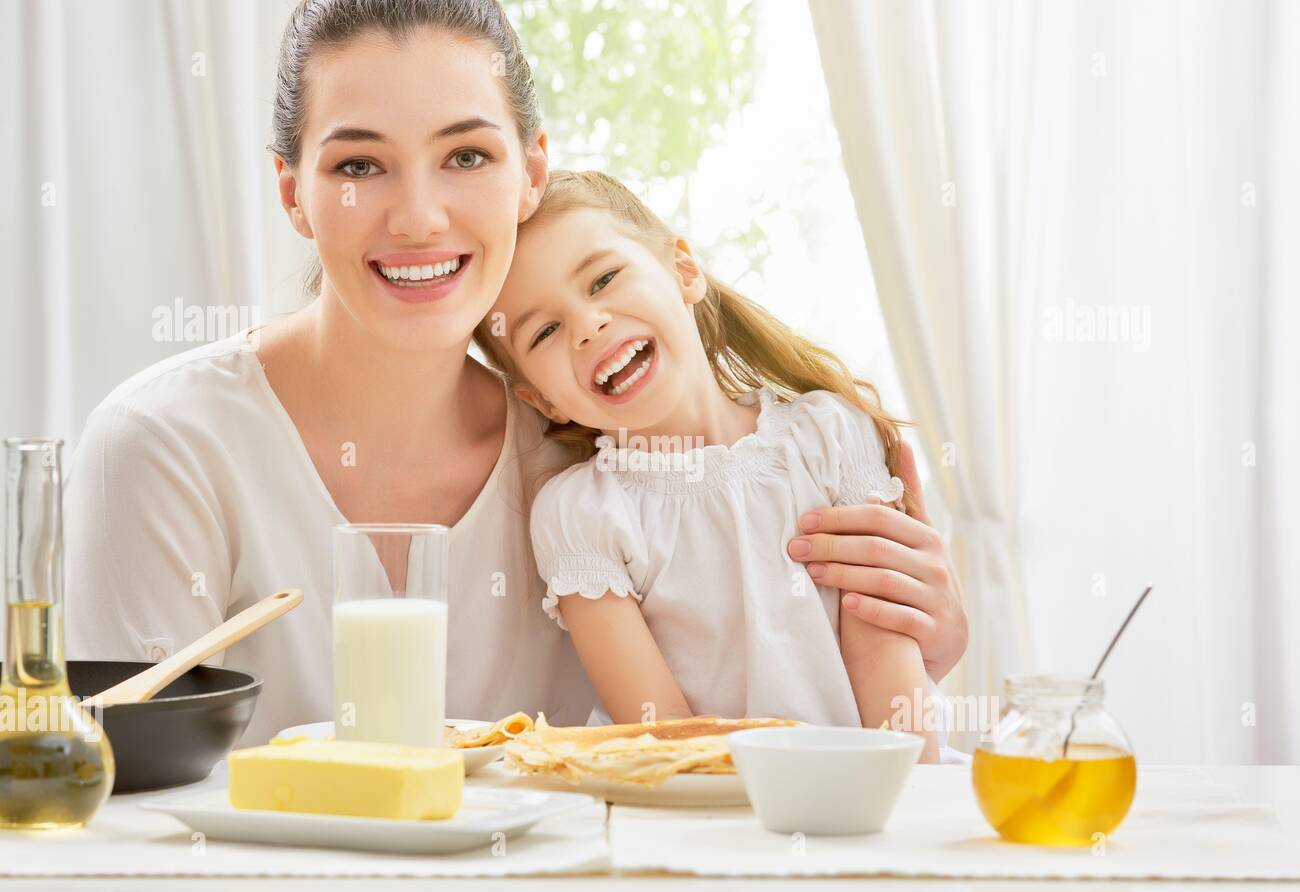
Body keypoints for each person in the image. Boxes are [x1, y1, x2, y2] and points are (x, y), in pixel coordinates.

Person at [63, 0, 968, 748]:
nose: (419, 216)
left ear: (532, 170)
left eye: (466, 155)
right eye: (359, 164)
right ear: (294, 192)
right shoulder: (162, 447)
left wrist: (931, 635)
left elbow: (774, 676)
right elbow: (133, 817)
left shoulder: (594, 444)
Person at [475, 170, 947, 761]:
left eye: (603, 279)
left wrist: (906, 812)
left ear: (684, 271)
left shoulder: (828, 434)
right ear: (539, 399)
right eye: (544, 331)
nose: (587, 326)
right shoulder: (580, 515)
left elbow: (884, 657)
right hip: (709, 812)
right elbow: (664, 734)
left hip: (873, 796)